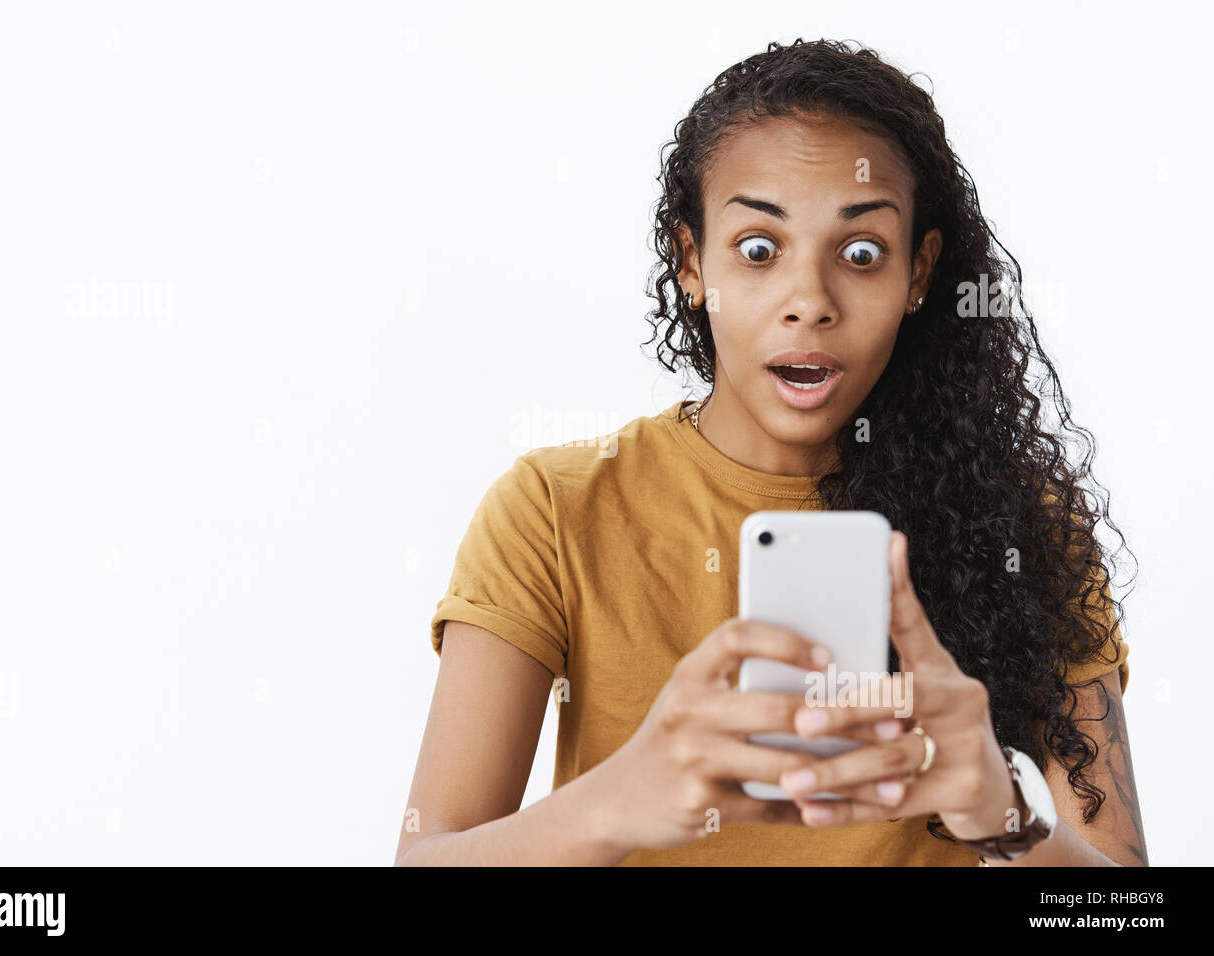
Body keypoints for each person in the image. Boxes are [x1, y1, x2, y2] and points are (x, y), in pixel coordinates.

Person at [396, 38, 1145, 866]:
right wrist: (616, 800)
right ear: (692, 262)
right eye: (759, 249)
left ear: (919, 274)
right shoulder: (552, 511)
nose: (809, 303)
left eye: (861, 254)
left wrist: (996, 805)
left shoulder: (1026, 526)